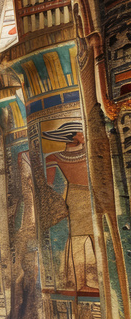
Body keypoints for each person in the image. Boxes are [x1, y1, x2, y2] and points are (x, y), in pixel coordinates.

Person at [43, 121, 97, 292]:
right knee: (78, 238)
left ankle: (97, 279)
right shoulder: (53, 158)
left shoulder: (91, 151)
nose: (83, 135)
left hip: (94, 196)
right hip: (74, 199)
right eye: (80, 133)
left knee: (98, 237)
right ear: (71, 137)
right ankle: (79, 281)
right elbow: (49, 185)